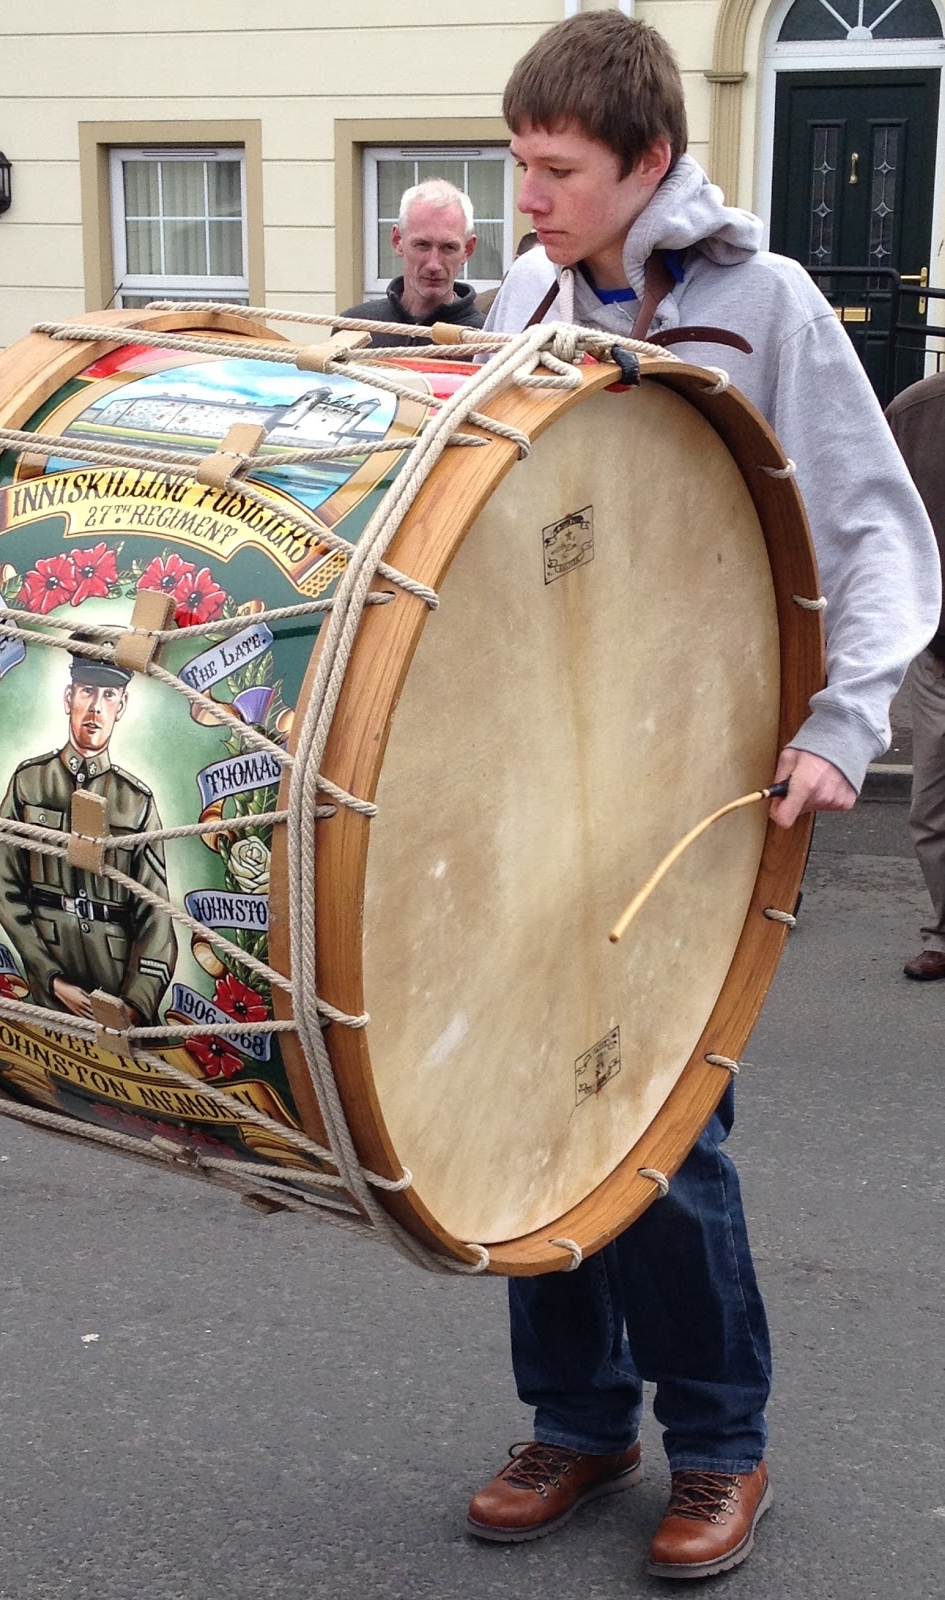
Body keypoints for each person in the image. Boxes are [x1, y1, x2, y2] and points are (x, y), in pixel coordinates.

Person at [467, 11, 939, 1581]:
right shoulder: (525, 293)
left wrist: (844, 718)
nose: (523, 196)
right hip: (549, 765)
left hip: (705, 779)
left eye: (556, 170)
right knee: (540, 1099)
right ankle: (582, 1415)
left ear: (649, 162)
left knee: (668, 1124)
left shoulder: (770, 304)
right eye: (517, 164)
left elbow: (878, 533)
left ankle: (720, 1443)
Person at [0, 651, 177, 1023]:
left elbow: (156, 912)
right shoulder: (29, 782)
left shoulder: (135, 801)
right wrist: (51, 979)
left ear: (121, 706)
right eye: (87, 691)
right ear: (68, 698)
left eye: (109, 696)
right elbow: (5, 887)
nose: (96, 707)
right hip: (51, 967)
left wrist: (136, 1003)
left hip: (116, 966)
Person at [885, 372, 945, 979]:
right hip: (938, 661)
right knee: (931, 812)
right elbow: (879, 522)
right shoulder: (915, 413)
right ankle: (944, 934)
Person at [340, 178, 484, 346]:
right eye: (422, 245)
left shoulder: (485, 340)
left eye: (448, 248)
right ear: (397, 241)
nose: (433, 265)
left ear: (468, 249)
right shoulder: (354, 328)